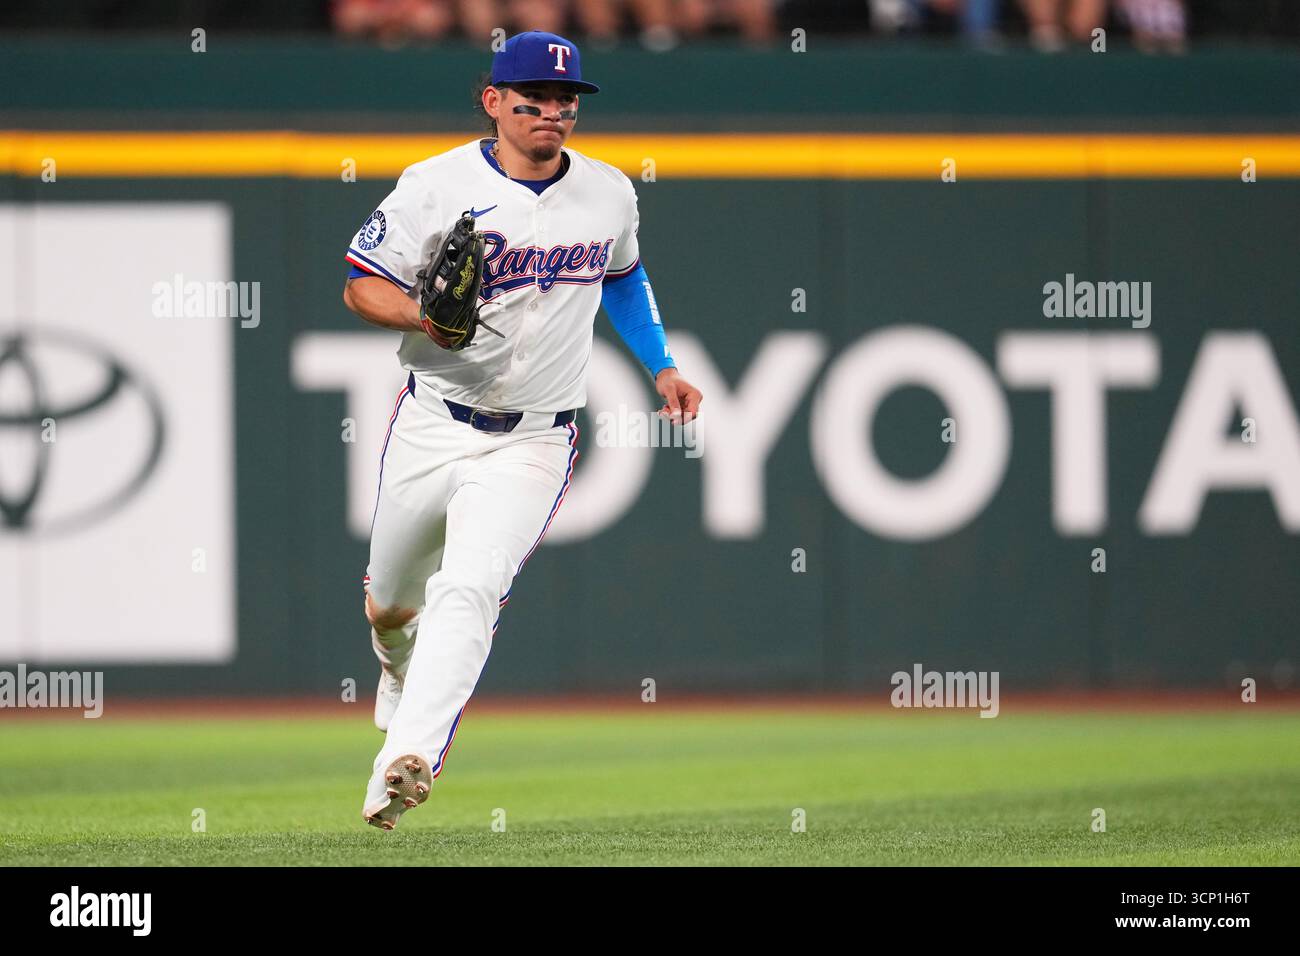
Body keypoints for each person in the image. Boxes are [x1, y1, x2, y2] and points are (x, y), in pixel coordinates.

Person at [341, 30, 703, 830]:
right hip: (433, 418)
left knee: (470, 587)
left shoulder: (609, 192)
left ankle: (406, 758)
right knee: (391, 604)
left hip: (536, 437)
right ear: (494, 101)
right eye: (533, 99)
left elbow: (624, 275)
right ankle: (396, 670)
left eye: (565, 101)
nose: (551, 112)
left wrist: (662, 364)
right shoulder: (435, 184)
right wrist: (421, 317)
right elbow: (361, 288)